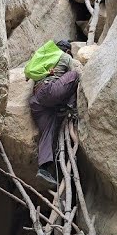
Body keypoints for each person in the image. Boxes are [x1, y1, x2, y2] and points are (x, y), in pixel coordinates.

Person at [26, 39, 80, 186]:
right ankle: (70, 106)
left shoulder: (47, 60)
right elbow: (76, 71)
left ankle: (43, 168)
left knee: (48, 132)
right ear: (67, 51)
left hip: (38, 101)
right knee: (75, 75)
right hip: (51, 92)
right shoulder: (65, 57)